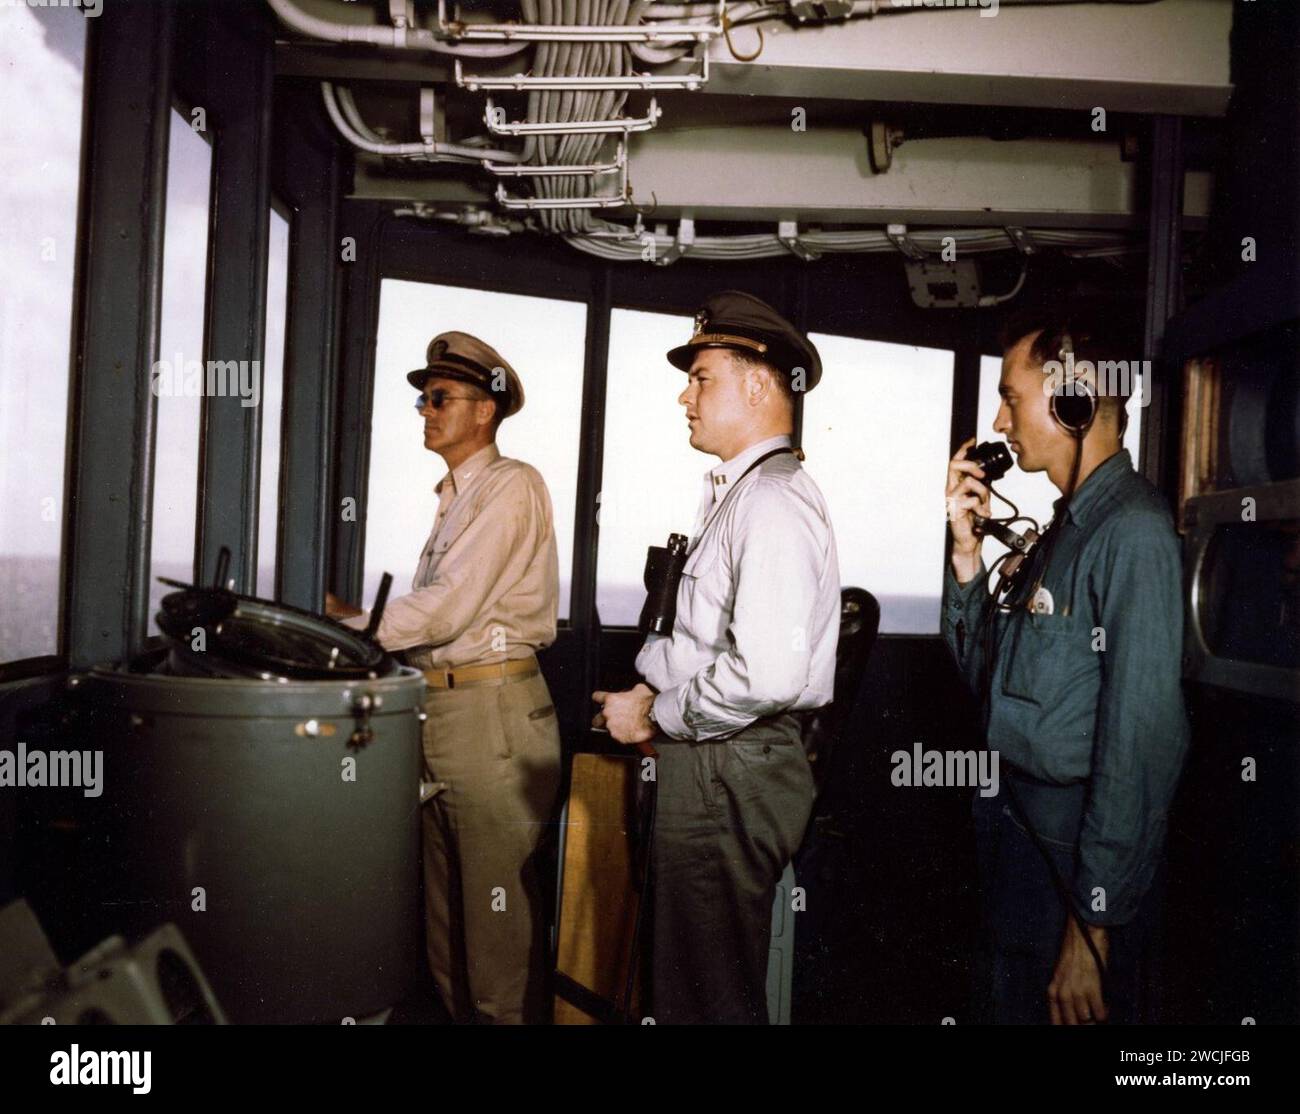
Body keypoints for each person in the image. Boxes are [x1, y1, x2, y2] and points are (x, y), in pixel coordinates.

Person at [593, 291, 840, 1024]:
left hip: (728, 766)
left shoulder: (771, 501)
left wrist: (655, 713)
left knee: (703, 996)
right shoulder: (741, 496)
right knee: (691, 987)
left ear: (760, 384)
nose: (684, 395)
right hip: (717, 761)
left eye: (702, 378)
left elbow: (765, 673)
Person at [942, 311, 1189, 1025]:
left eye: (1011, 397)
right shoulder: (1062, 533)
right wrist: (967, 556)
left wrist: (1094, 925)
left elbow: (1139, 743)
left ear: (1075, 399)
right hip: (1018, 838)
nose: (997, 419)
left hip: (1073, 856)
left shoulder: (1132, 534)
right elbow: (984, 682)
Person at [328, 331, 562, 1024]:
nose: (425, 411)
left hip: (493, 720)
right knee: (446, 929)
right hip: (446, 714)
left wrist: (361, 628)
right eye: (421, 399)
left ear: (485, 410)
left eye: (439, 398)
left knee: (494, 937)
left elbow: (450, 605)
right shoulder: (458, 496)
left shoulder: (510, 485)